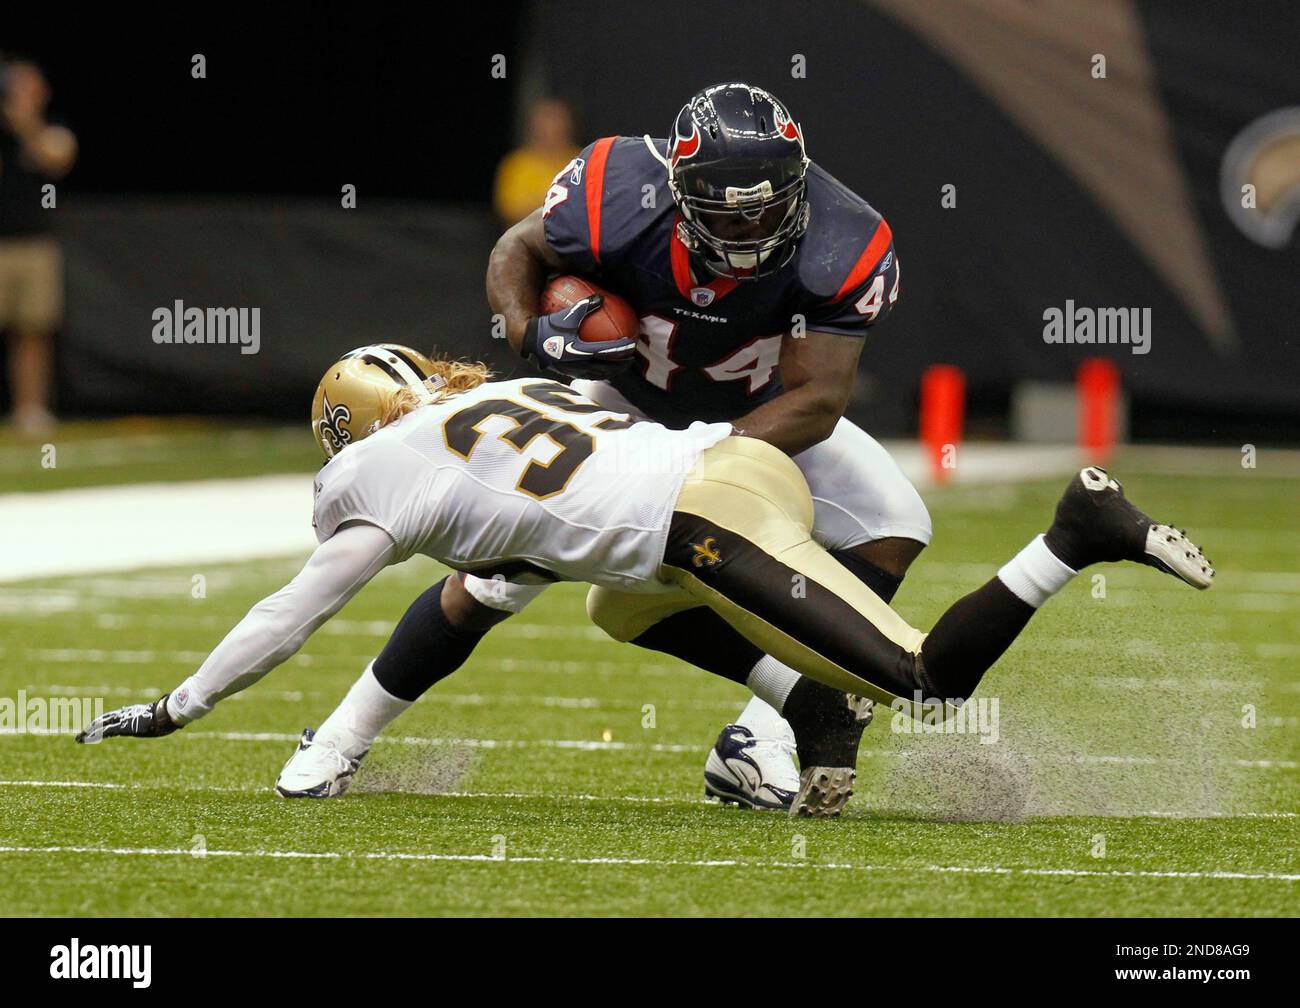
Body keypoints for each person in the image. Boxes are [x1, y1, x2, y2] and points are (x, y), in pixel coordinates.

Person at [77, 345, 1214, 819]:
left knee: (924, 681)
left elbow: (296, 609)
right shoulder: (503, 397)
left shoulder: (380, 467)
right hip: (719, 477)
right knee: (615, 603)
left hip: (709, 512)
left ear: (351, 436)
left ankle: (1073, 534)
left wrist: (183, 703)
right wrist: (336, 744)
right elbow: (520, 553)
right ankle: (805, 704)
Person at [383, 82, 926, 812]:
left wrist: (705, 459)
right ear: (680, 191)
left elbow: (819, 402)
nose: (753, 230)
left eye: (768, 208)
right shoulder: (617, 190)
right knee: (496, 578)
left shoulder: (844, 239)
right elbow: (517, 247)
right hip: (623, 404)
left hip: (752, 417)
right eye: (731, 213)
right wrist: (527, 331)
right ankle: (343, 737)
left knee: (892, 526)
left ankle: (762, 737)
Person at [0, 56, 77, 436]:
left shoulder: (53, 128)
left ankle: (29, 410)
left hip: (34, 245)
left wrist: (25, 122)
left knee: (33, 330)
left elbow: (55, 158)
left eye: (28, 86)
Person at [492, 98, 579, 227]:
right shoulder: (516, 164)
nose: (551, 130)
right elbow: (510, 210)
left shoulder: (582, 160)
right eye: (545, 123)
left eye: (556, 121)